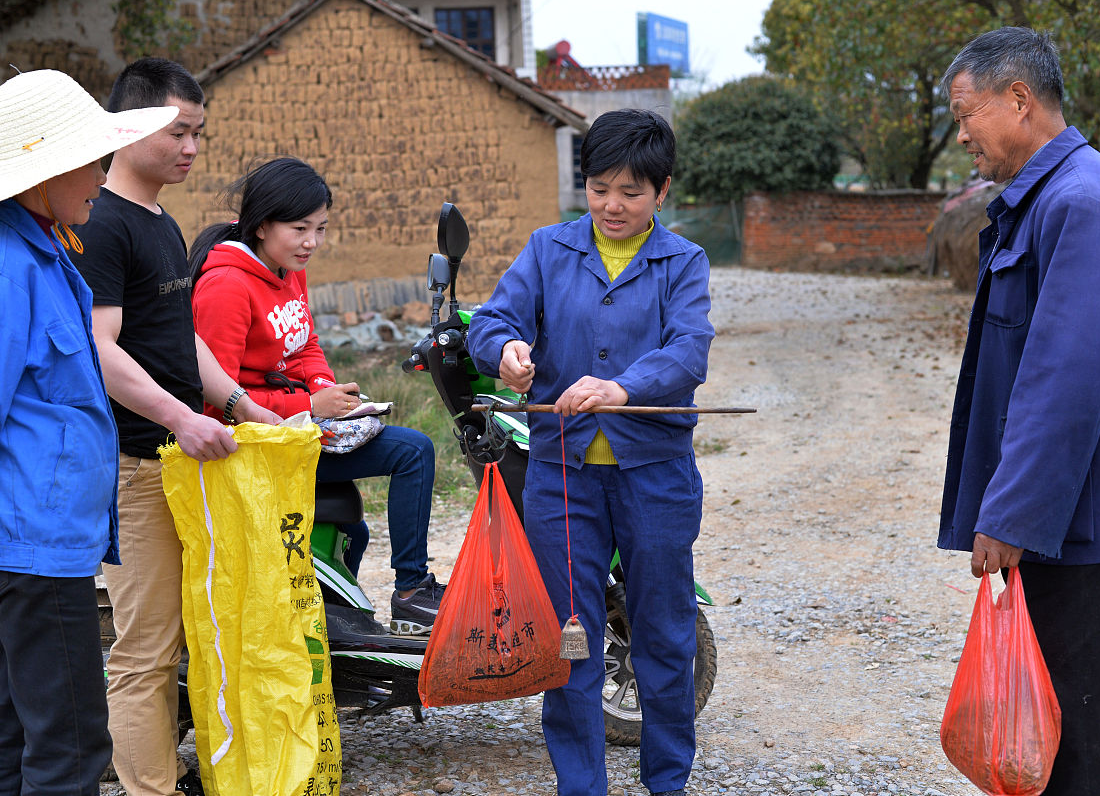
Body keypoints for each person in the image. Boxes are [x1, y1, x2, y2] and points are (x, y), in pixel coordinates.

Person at [0, 69, 181, 796]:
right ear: (44, 171)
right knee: (74, 745)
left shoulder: (40, 244)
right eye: (91, 160)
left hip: (47, 535)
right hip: (31, 539)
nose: (103, 176)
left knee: (21, 726)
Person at [467, 109, 713, 796]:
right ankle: (582, 785)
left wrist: (622, 386)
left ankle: (667, 780)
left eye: (631, 192)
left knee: (663, 635)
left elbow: (688, 350)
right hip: (562, 478)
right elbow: (493, 321)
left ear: (662, 192)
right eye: (599, 188)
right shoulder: (548, 249)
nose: (611, 205)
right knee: (568, 637)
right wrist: (507, 353)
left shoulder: (683, 262)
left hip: (656, 477)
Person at [938, 27, 1100, 794]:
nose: (961, 134)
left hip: (1076, 533)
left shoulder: (1082, 201)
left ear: (1020, 99)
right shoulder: (1045, 199)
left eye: (967, 113)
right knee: (1042, 750)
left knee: (1079, 755)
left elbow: (1066, 381)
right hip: (1054, 525)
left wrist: (1012, 515)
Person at [70, 58, 279, 796]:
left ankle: (170, 768)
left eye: (199, 133)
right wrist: (180, 417)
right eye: (177, 132)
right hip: (137, 464)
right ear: (126, 130)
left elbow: (180, 334)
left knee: (200, 630)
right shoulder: (99, 220)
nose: (192, 148)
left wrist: (239, 404)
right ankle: (148, 788)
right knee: (146, 648)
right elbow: (101, 351)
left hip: (182, 456)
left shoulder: (161, 218)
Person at [187, 156, 446, 633]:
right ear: (262, 226)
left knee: (354, 529)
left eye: (321, 229)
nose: (312, 243)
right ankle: (412, 589)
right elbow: (214, 400)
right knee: (414, 451)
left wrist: (329, 392)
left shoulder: (287, 268)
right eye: (300, 228)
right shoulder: (225, 287)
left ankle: (340, 626)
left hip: (298, 427)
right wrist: (308, 406)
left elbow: (304, 344)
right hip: (254, 441)